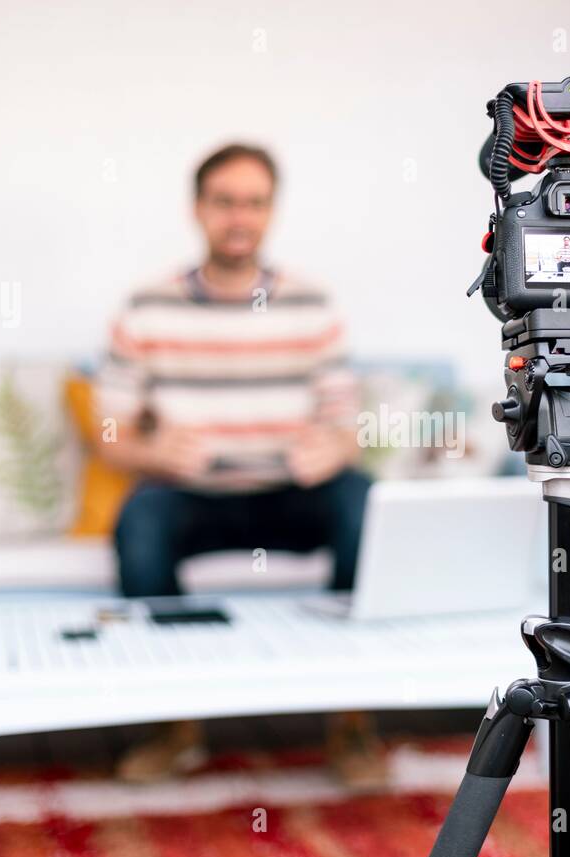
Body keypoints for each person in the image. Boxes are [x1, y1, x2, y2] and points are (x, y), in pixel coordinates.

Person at [95, 143, 384, 787]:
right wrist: (149, 452)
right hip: (193, 496)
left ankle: (352, 722)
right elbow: (108, 430)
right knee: (140, 518)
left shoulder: (312, 303)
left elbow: (347, 426)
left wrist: (333, 448)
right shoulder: (146, 305)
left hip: (291, 493)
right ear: (198, 209)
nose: (239, 217)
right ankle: (178, 725)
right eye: (224, 201)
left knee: (361, 500)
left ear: (271, 211)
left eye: (253, 202)